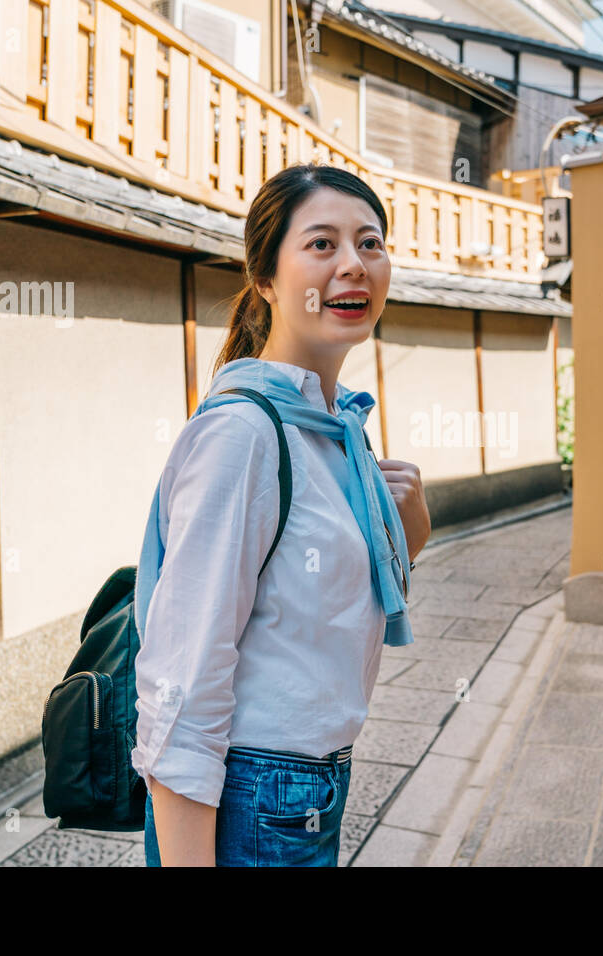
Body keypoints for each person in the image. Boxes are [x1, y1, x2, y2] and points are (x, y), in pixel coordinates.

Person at [130, 163, 431, 866]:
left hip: (309, 788)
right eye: (321, 244)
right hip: (253, 795)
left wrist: (408, 536)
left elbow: (311, 612)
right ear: (265, 277)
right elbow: (183, 671)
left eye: (370, 243)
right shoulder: (244, 435)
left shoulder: (335, 433)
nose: (353, 265)